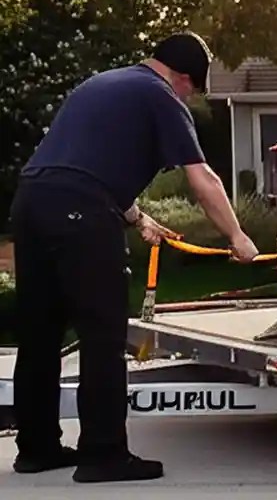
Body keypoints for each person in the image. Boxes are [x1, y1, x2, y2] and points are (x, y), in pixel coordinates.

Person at [8, 31, 260, 483]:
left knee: (40, 333)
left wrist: (138, 217)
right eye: (192, 91)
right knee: (103, 334)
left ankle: (36, 448)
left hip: (31, 203)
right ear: (184, 78)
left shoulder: (102, 84)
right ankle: (104, 454)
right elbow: (203, 177)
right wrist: (238, 236)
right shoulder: (160, 95)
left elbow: (83, 166)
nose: (189, 99)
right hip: (81, 211)